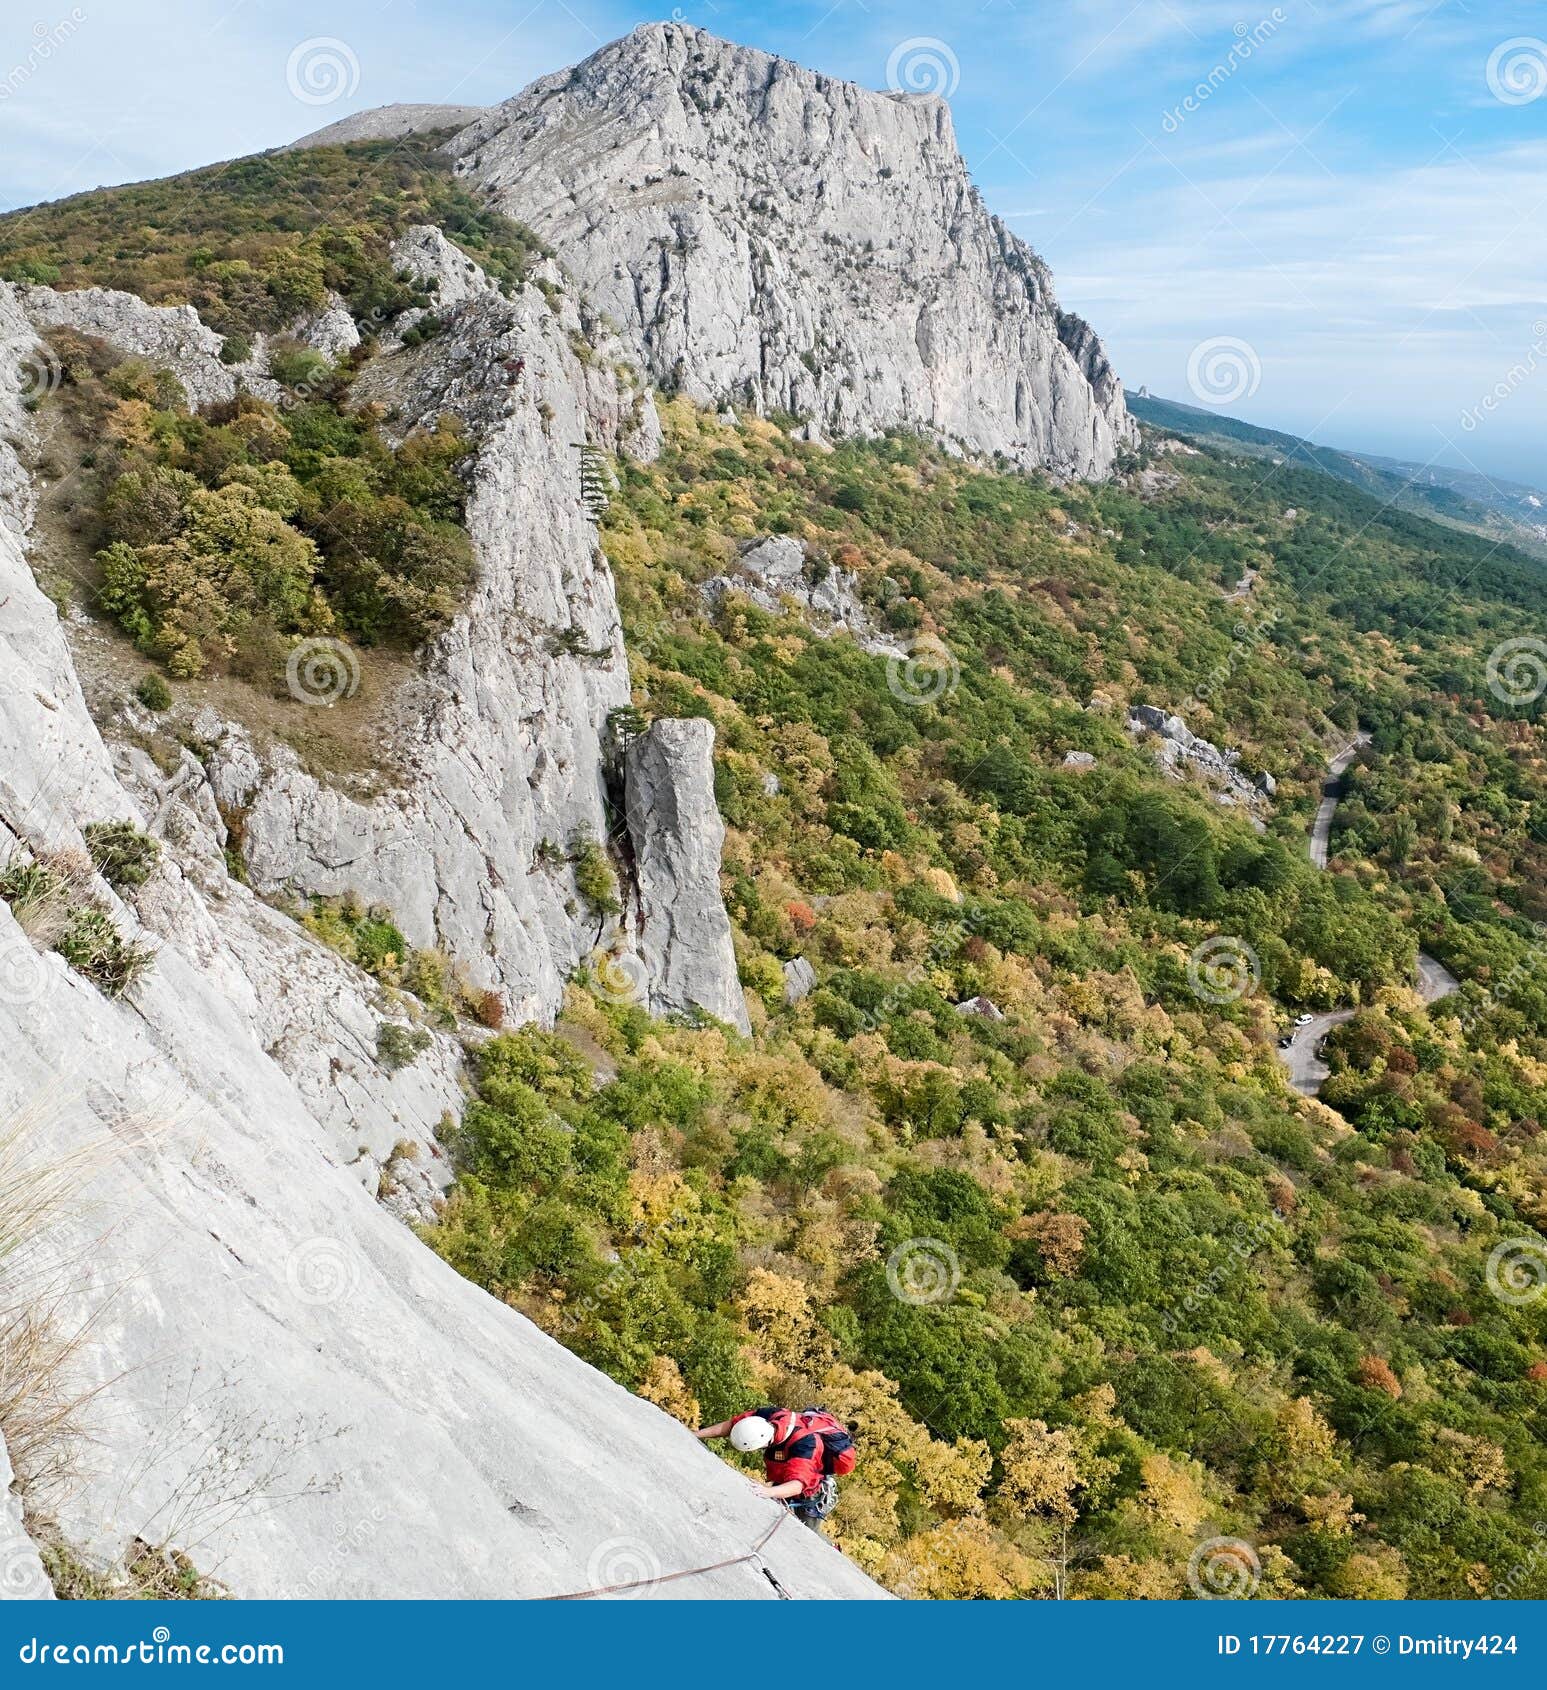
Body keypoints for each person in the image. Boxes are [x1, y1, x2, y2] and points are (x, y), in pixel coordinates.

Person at [695, 1405, 852, 1528]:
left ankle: (830, 1547)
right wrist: (696, 1434)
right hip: (783, 1481)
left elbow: (797, 1485)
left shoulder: (805, 1444)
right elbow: (732, 1425)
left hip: (807, 1495)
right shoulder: (768, 1416)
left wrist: (768, 1491)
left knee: (806, 1533)